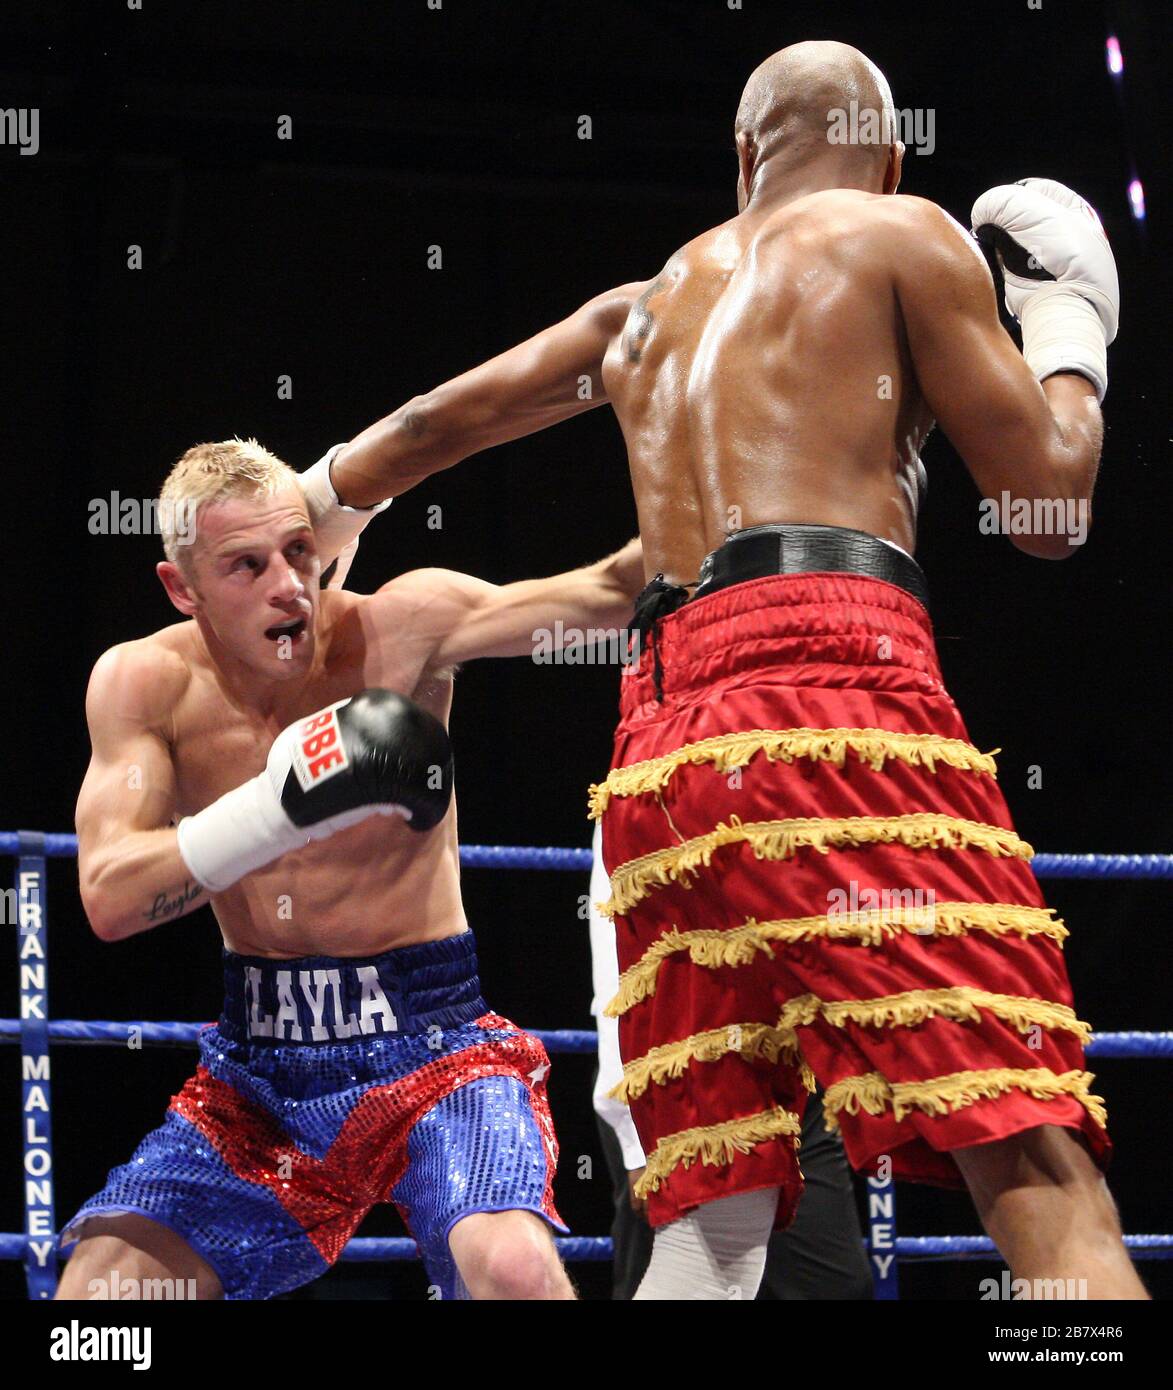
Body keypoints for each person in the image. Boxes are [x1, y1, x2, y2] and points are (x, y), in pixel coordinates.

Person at [309, 40, 1145, 1300]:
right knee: (1032, 1158)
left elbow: (436, 427)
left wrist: (326, 502)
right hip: (837, 693)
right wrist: (1072, 322)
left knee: (714, 1208)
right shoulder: (901, 235)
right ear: (891, 157)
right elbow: (1046, 507)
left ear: (745, 159)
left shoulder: (643, 309)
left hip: (664, 748)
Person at [59, 437, 645, 1300]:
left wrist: (741, 503)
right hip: (257, 1077)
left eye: (299, 551)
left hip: (437, 1047)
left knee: (515, 1268)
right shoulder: (143, 683)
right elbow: (109, 897)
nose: (287, 585)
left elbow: (603, 596)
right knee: (98, 1306)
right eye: (246, 566)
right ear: (180, 589)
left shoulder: (402, 626)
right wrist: (278, 804)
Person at [588, 824, 872, 1300]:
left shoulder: (794, 772)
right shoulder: (658, 772)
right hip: (674, 1086)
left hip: (794, 1074)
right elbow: (617, 957)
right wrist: (636, 1137)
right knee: (688, 1275)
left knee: (832, 1285)